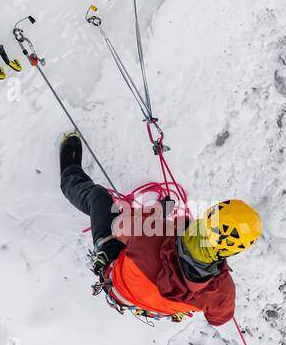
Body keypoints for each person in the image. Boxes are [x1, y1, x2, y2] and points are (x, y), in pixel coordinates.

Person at [59, 131, 261, 325]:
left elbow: (119, 226)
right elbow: (218, 319)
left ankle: (69, 177)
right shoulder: (223, 293)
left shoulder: (150, 234)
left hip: (116, 277)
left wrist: (156, 217)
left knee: (98, 199)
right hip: (137, 302)